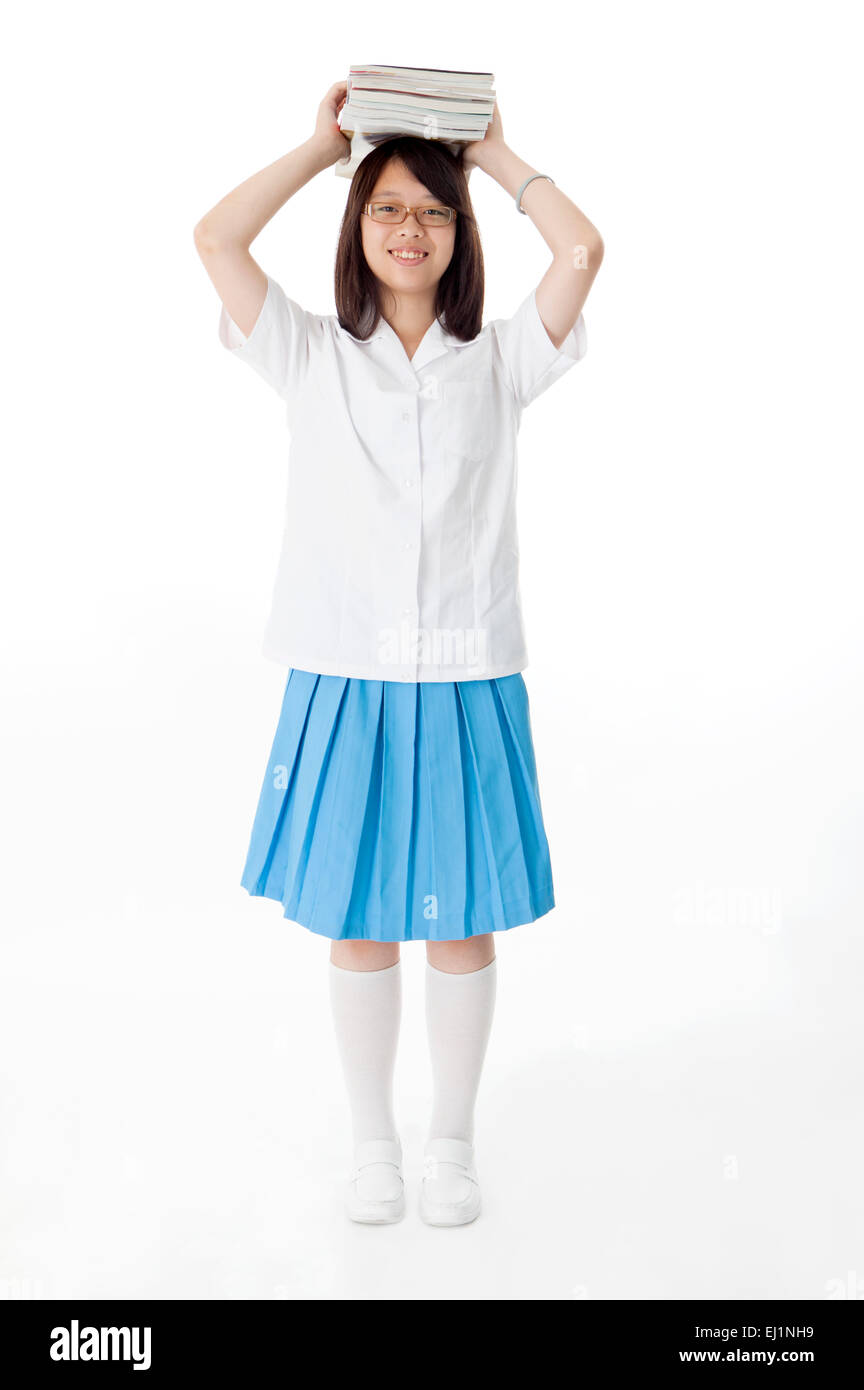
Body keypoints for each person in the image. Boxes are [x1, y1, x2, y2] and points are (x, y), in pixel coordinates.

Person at [193, 80, 603, 1227]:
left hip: (467, 675)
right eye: (385, 209)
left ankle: (452, 1142)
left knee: (463, 920)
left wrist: (504, 158)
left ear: (462, 229)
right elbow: (215, 237)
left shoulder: (504, 360)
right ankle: (374, 1144)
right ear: (356, 227)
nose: (408, 228)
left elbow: (583, 247)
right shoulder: (307, 354)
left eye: (432, 208)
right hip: (346, 676)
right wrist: (322, 146)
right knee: (360, 918)